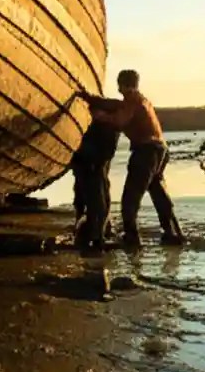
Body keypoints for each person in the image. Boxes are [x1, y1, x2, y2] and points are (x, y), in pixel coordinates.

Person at [80, 70, 186, 249]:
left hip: (145, 151)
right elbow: (115, 105)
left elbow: (120, 120)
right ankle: (173, 233)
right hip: (160, 150)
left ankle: (132, 238)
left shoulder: (132, 100)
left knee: (130, 197)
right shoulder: (141, 100)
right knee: (158, 193)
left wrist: (100, 116)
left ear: (121, 84)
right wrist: (91, 98)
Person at [71, 117, 120, 252]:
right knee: (97, 201)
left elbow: (106, 154)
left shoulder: (106, 128)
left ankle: (96, 236)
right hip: (90, 165)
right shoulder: (107, 127)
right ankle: (95, 235)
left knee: (97, 201)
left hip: (92, 166)